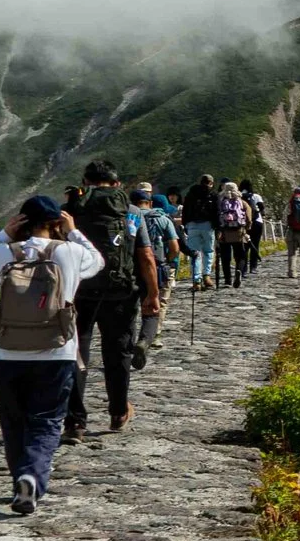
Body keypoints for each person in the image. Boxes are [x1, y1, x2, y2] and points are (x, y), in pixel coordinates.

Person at [0, 194, 102, 513]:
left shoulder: (7, 252)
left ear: (22, 223)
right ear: (56, 223)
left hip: (11, 351)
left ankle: (20, 481)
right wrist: (73, 232)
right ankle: (31, 476)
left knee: (14, 423)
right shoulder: (69, 252)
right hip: (57, 351)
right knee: (47, 421)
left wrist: (4, 234)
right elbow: (98, 262)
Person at [64, 161, 157, 443]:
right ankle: (118, 412)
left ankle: (75, 423)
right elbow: (146, 257)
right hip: (121, 292)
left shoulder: (72, 211)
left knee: (76, 354)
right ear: (117, 184)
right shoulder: (131, 212)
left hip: (78, 293)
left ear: (85, 181)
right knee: (118, 354)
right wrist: (152, 294)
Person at [129, 183, 178, 367]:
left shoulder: (127, 217)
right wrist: (167, 260)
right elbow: (174, 247)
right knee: (153, 307)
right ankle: (145, 340)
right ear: (149, 203)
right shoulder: (162, 218)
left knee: (130, 309)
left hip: (130, 269)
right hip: (156, 268)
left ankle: (128, 345)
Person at [180, 174, 219, 291]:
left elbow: (185, 210)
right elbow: (217, 212)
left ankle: (196, 280)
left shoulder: (191, 194)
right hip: (208, 225)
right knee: (208, 251)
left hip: (192, 225)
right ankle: (206, 276)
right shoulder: (213, 195)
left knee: (194, 253)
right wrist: (217, 227)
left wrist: (186, 224)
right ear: (211, 183)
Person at [215, 179, 252, 288]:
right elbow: (249, 218)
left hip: (224, 234)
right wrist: (247, 229)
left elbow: (216, 217)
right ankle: (239, 270)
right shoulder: (242, 202)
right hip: (239, 232)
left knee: (225, 257)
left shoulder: (220, 202)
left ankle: (227, 280)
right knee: (240, 255)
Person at [242, 180, 266, 275]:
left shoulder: (239, 196)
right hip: (257, 222)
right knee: (255, 245)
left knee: (244, 246)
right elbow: (262, 209)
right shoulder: (256, 196)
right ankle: (253, 267)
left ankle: (243, 268)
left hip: (244, 224)